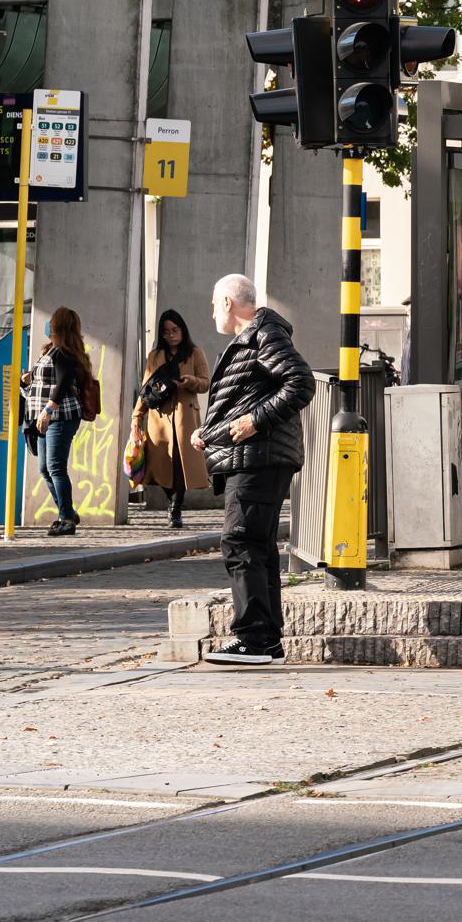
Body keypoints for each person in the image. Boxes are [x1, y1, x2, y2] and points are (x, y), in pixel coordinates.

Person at [191, 274, 314, 665]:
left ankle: (254, 639)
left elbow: (301, 383)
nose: (212, 312)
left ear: (228, 302)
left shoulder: (265, 334)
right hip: (254, 456)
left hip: (259, 458)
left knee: (240, 541)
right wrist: (209, 433)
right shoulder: (255, 337)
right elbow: (247, 397)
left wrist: (255, 423)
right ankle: (266, 641)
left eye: (214, 304)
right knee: (256, 544)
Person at [133, 309, 211, 529]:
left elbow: (205, 383)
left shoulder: (195, 353)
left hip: (185, 417)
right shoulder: (155, 356)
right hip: (160, 418)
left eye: (175, 330)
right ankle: (171, 500)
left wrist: (191, 381)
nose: (171, 335)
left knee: (180, 464)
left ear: (183, 330)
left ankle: (175, 508)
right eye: (166, 332)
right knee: (159, 464)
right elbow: (145, 388)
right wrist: (136, 416)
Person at [22, 306, 96, 536]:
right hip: (45, 418)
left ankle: (66, 519)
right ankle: (68, 511)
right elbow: (48, 382)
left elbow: (63, 383)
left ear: (58, 326)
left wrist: (47, 411)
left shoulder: (64, 353)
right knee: (45, 468)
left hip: (60, 417)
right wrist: (28, 381)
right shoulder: (52, 351)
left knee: (55, 467)